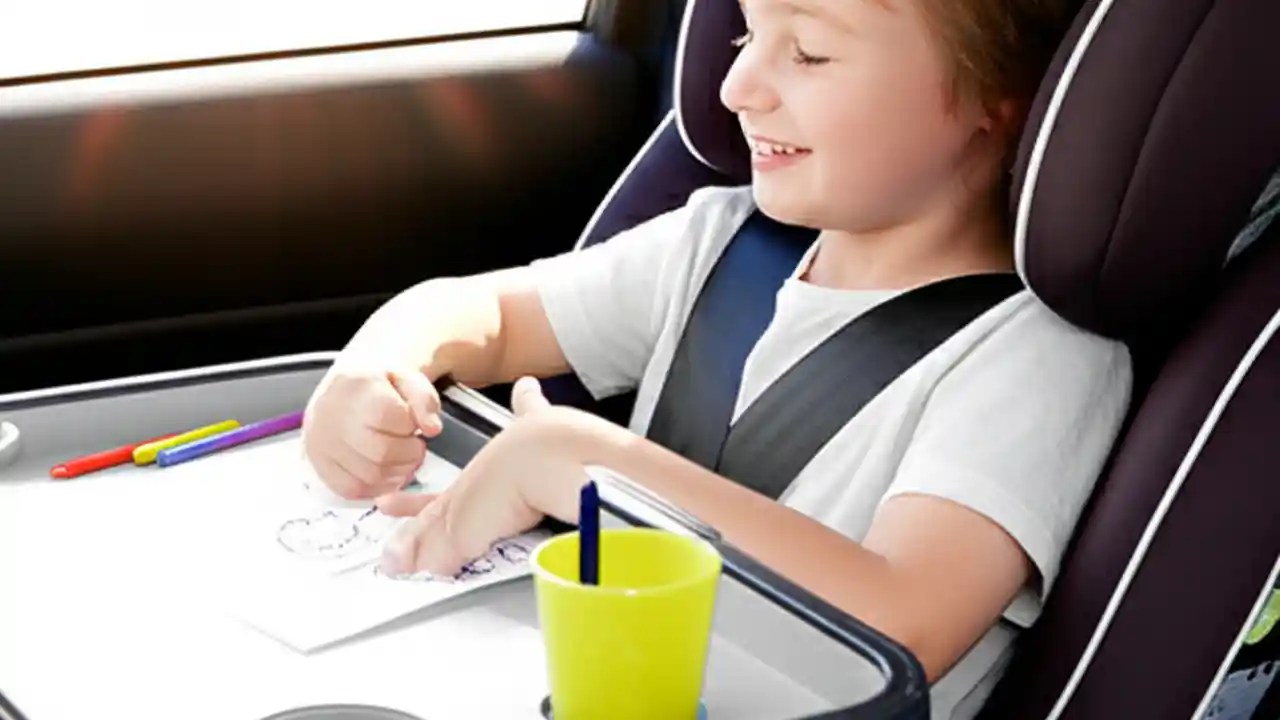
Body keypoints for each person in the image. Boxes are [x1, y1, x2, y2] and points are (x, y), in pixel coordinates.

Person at [301, 0, 1132, 715]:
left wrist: (588, 467)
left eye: (808, 51)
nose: (738, 88)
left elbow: (901, 624)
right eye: (743, 38)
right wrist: (377, 368)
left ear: (1000, 95)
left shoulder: (1039, 354)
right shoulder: (723, 244)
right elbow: (485, 313)